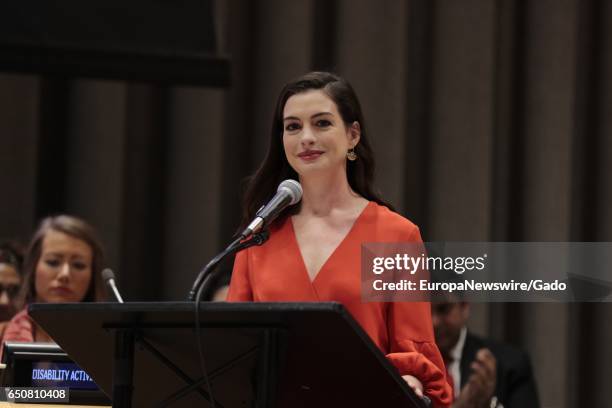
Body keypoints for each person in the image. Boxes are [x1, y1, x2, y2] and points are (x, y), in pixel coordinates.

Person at [227, 72, 452, 407]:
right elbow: (231, 352)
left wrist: (411, 380)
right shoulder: (259, 236)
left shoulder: (396, 235)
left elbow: (413, 351)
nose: (305, 137)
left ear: (352, 135)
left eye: (321, 123)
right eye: (292, 126)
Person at [1, 215, 106, 348]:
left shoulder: (108, 344)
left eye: (78, 265)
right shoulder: (2, 334)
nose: (65, 274)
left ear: (92, 276)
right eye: (53, 262)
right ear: (33, 267)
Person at [432, 299, 540, 408]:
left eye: (443, 309)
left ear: (464, 306)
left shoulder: (510, 364)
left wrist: (488, 405)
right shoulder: (414, 364)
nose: (434, 322)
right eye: (427, 311)